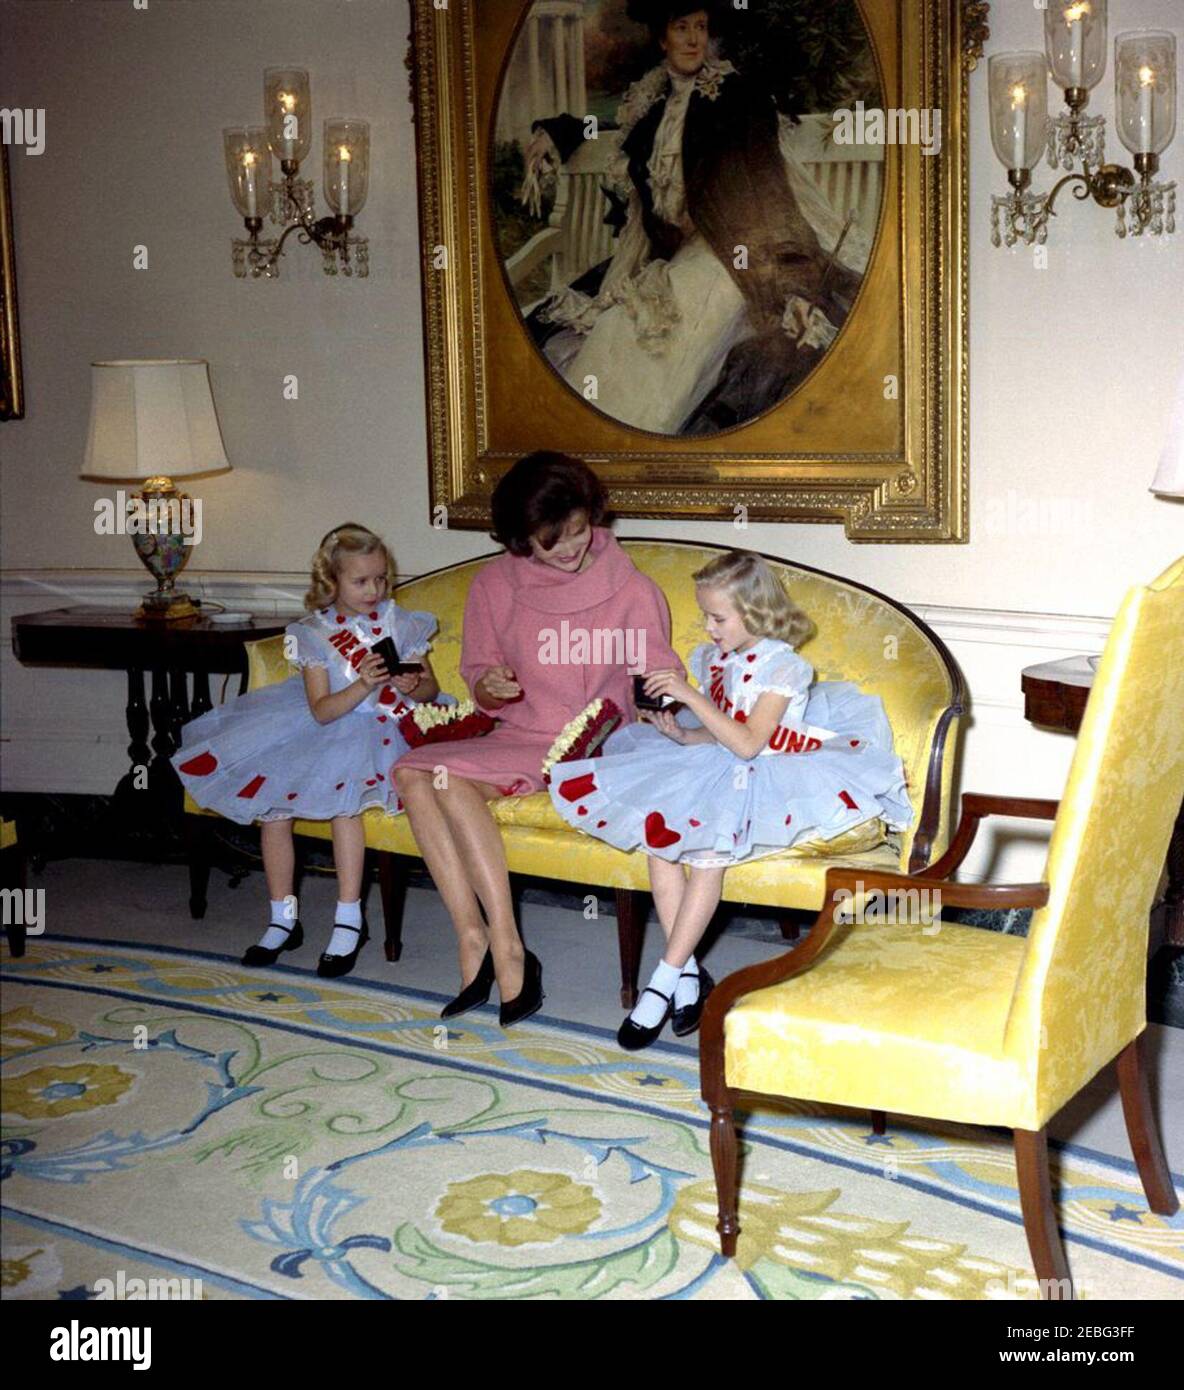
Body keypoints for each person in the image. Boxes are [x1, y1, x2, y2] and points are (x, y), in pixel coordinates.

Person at [548, 549, 913, 1050]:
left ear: (756, 612)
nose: (708, 628)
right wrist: (678, 733)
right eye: (705, 616)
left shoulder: (784, 667)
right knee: (660, 842)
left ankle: (661, 981)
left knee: (705, 855)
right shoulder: (715, 660)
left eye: (718, 617)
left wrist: (692, 697)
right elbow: (716, 738)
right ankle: (690, 977)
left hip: (776, 770)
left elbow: (748, 743)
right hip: (721, 764)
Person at [393, 451, 682, 1027]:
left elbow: (657, 678)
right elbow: (478, 673)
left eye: (578, 530)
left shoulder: (631, 587)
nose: (572, 547)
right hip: (520, 732)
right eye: (553, 541)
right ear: (523, 540)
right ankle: (478, 939)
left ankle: (507, 950)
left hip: (590, 741)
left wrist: (668, 717)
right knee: (412, 771)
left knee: (449, 782)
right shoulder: (495, 584)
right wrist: (491, 687)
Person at [520, 1, 869, 434]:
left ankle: (643, 436)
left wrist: (793, 285)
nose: (692, 39)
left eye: (700, 27)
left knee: (664, 331)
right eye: (681, 27)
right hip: (678, 256)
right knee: (615, 326)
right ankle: (598, 439)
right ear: (662, 38)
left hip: (733, 254)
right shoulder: (651, 102)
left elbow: (769, 196)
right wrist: (553, 131)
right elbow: (605, 127)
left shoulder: (732, 96)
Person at [174, 524, 441, 978]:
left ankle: (349, 918)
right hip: (328, 725)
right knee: (274, 812)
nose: (374, 589)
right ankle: (283, 917)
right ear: (331, 583)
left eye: (380, 578)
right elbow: (321, 711)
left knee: (344, 807)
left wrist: (412, 685)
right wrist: (364, 683)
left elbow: (431, 689)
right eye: (361, 581)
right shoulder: (313, 634)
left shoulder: (402, 622)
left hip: (384, 731)